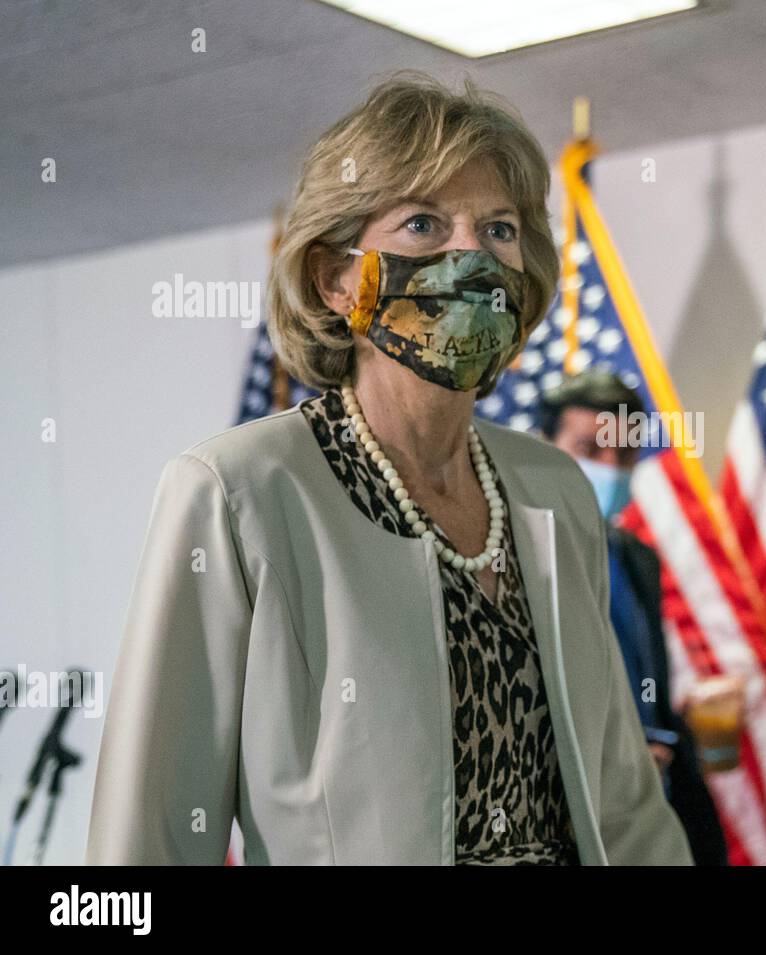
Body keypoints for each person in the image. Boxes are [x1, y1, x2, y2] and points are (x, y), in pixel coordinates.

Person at [84, 73, 693, 866]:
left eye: (500, 229)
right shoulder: (240, 491)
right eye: (422, 223)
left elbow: (625, 806)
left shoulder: (554, 490)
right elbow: (146, 840)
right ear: (336, 279)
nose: (471, 253)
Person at [540, 371, 730, 866]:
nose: (610, 468)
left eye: (624, 455)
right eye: (590, 449)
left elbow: (647, 680)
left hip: (654, 805)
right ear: (544, 446)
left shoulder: (634, 555)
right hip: (567, 812)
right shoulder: (517, 554)